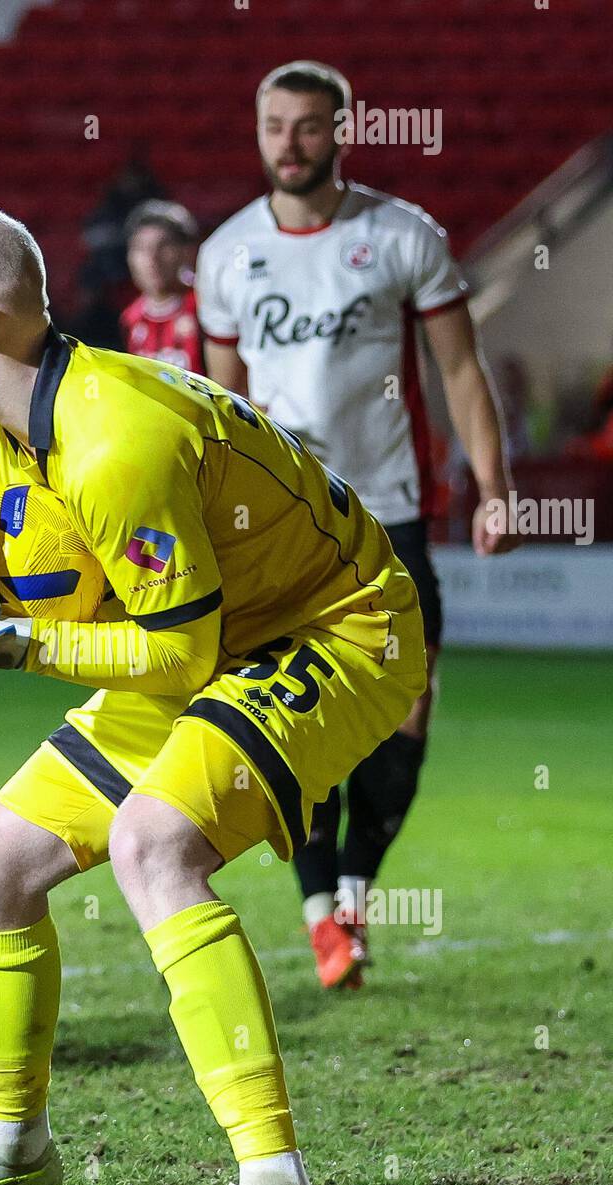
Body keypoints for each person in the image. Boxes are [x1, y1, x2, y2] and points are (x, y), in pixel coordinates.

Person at [0, 207, 427, 1185]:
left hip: (337, 626)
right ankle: (13, 1147)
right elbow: (109, 603)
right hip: (219, 637)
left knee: (154, 844)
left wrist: (12, 639)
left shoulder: (117, 438)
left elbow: (175, 651)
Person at [196, 61, 518, 990]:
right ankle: (322, 915)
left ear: (341, 132)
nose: (289, 144)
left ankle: (352, 894)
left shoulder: (403, 236)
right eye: (274, 126)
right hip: (285, 526)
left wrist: (494, 485)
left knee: (408, 711)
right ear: (257, 132)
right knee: (302, 718)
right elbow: (221, 404)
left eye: (307, 126)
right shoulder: (226, 254)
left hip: (392, 510)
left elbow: (460, 369)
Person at [121, 200, 205, 373]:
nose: (152, 258)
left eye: (164, 246)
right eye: (141, 248)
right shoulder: (130, 318)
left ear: (186, 252)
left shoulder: (204, 305)